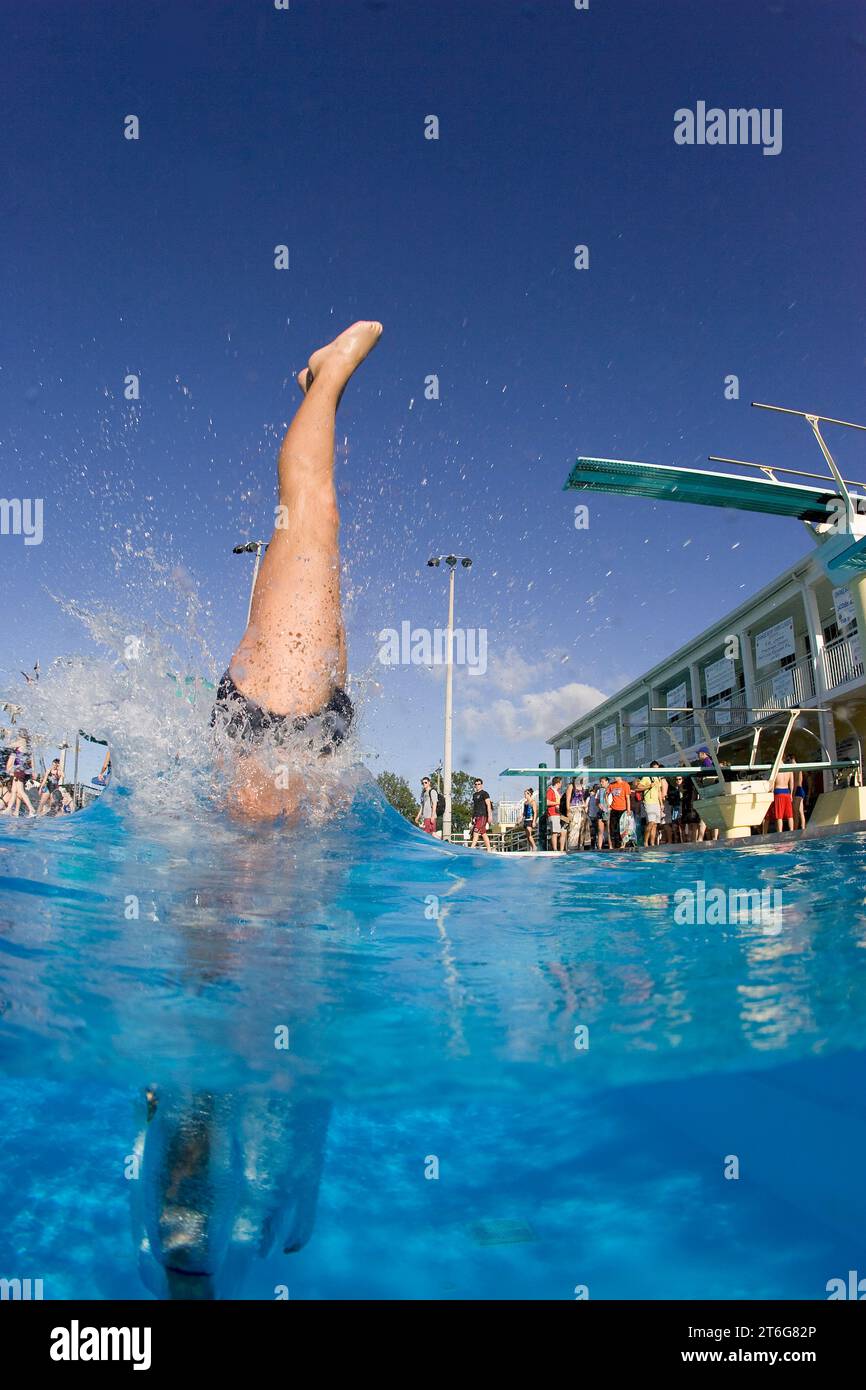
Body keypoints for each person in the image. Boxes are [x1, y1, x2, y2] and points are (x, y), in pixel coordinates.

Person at [210, 321, 383, 819]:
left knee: (311, 516)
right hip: (303, 725)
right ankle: (319, 396)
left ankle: (327, 380)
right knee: (313, 541)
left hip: (274, 725)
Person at [4, 739, 36, 817]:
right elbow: (31, 760)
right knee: (14, 791)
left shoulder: (22, 742)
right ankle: (8, 809)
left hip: (19, 770)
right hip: (20, 770)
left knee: (21, 791)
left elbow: (8, 745)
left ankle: (31, 809)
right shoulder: (28, 747)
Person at [606, 773, 631, 849]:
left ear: (620, 776)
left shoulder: (625, 784)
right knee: (613, 828)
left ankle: (623, 844)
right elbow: (606, 794)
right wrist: (608, 805)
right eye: (614, 776)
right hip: (614, 809)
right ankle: (615, 844)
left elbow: (627, 798)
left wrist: (628, 809)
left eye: (616, 776)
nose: (615, 777)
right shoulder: (611, 785)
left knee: (623, 828)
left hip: (623, 809)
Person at [470, 777, 494, 851]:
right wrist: (472, 817)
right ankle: (489, 850)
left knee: (475, 832)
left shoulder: (484, 793)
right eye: (476, 784)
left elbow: (488, 805)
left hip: (483, 816)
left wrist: (490, 816)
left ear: (481, 785)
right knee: (483, 833)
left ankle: (471, 849)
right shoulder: (474, 795)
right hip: (476, 816)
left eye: (479, 784)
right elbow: (475, 806)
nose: (477, 785)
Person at [773, 758, 795, 833]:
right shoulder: (788, 768)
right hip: (787, 791)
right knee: (790, 815)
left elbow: (773, 782)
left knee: (779, 816)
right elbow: (792, 783)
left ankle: (780, 832)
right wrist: (791, 794)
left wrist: (772, 792)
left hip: (778, 791)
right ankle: (792, 831)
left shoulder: (776, 769)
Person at [566, 778, 588, 852]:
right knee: (574, 828)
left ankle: (580, 845)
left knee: (582, 828)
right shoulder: (571, 786)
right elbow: (568, 799)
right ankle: (572, 846)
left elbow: (582, 798)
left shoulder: (582, 787)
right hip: (573, 809)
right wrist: (568, 811)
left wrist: (584, 805)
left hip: (581, 809)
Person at [546, 775, 565, 851]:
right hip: (553, 814)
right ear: (557, 783)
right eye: (561, 783)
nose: (561, 784)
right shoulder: (550, 791)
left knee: (562, 832)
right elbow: (547, 802)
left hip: (558, 814)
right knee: (555, 832)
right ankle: (555, 849)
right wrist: (557, 802)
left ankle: (561, 849)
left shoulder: (557, 792)